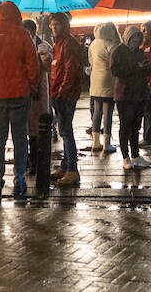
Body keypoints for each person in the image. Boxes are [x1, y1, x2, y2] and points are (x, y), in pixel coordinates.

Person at [0, 1, 40, 202]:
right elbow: (33, 65)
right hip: (20, 94)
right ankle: (19, 180)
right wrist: (32, 86)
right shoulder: (23, 35)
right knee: (20, 138)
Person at [47, 12, 84, 186]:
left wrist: (61, 92)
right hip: (58, 92)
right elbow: (58, 68)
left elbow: (70, 71)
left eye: (57, 25)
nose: (54, 28)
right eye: (52, 25)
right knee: (64, 131)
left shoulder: (68, 44)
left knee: (66, 132)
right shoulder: (58, 43)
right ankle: (65, 165)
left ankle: (72, 170)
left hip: (65, 95)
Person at [111, 26, 151, 169]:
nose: (135, 42)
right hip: (124, 94)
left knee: (136, 126)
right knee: (125, 126)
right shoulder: (118, 51)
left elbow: (147, 69)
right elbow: (116, 71)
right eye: (133, 38)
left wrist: (146, 67)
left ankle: (135, 155)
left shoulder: (140, 52)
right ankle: (125, 157)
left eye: (138, 39)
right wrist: (135, 67)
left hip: (139, 93)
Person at [22, 18, 53, 175]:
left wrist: (44, 55)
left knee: (37, 130)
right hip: (25, 91)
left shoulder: (43, 45)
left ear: (33, 31)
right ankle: (27, 160)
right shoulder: (21, 44)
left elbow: (48, 67)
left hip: (38, 93)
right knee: (25, 129)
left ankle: (35, 162)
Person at [88, 22, 122, 153]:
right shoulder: (113, 45)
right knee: (108, 113)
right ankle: (107, 144)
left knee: (97, 111)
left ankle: (95, 143)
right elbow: (114, 64)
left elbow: (91, 61)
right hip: (109, 79)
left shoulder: (94, 44)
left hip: (95, 79)